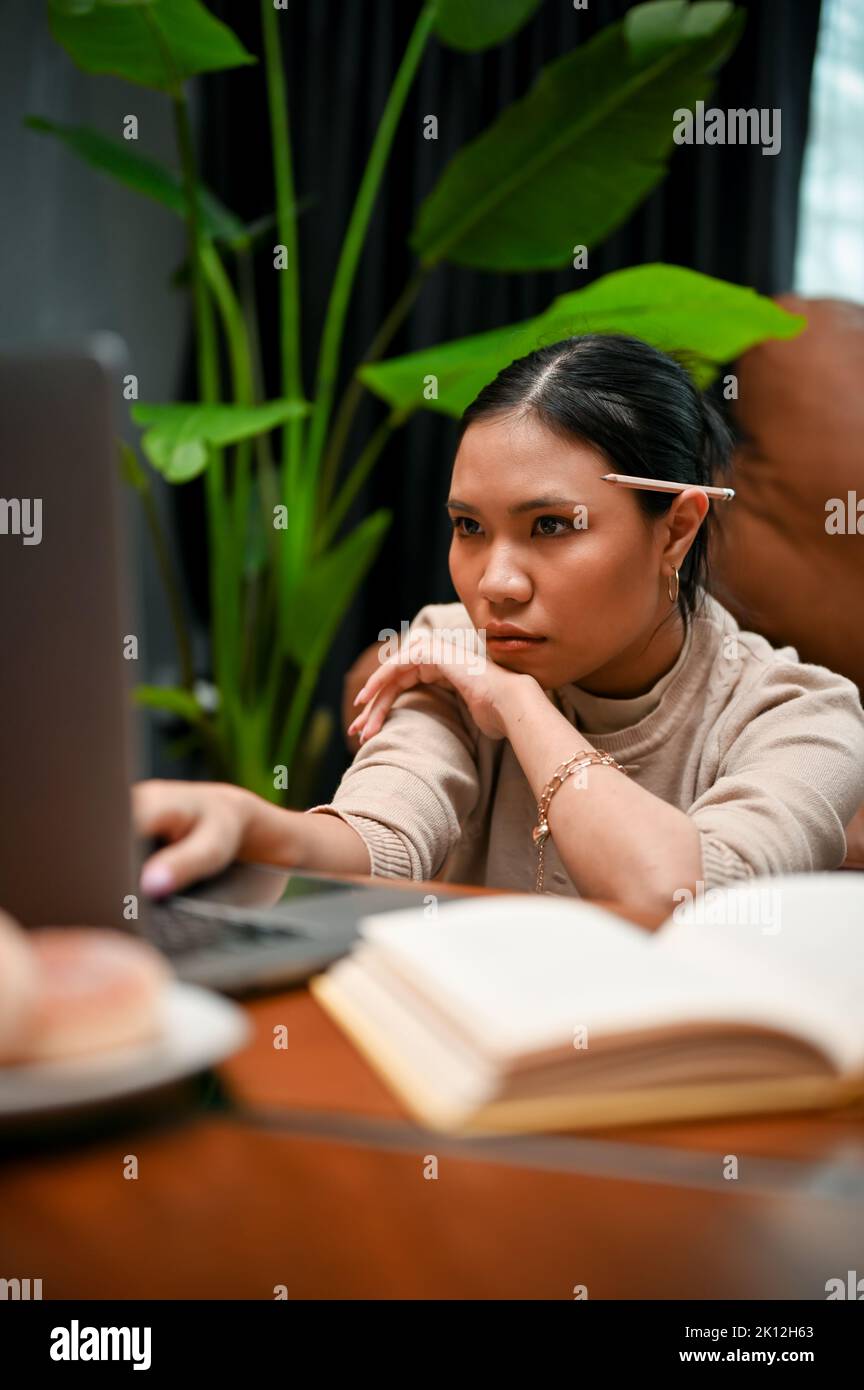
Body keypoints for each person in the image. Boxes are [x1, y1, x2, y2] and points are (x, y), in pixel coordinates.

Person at [135, 334, 864, 917]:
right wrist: (251, 822)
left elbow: (672, 894)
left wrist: (516, 704)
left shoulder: (803, 718)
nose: (495, 583)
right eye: (469, 527)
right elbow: (384, 835)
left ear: (675, 528)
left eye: (550, 525)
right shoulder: (450, 645)